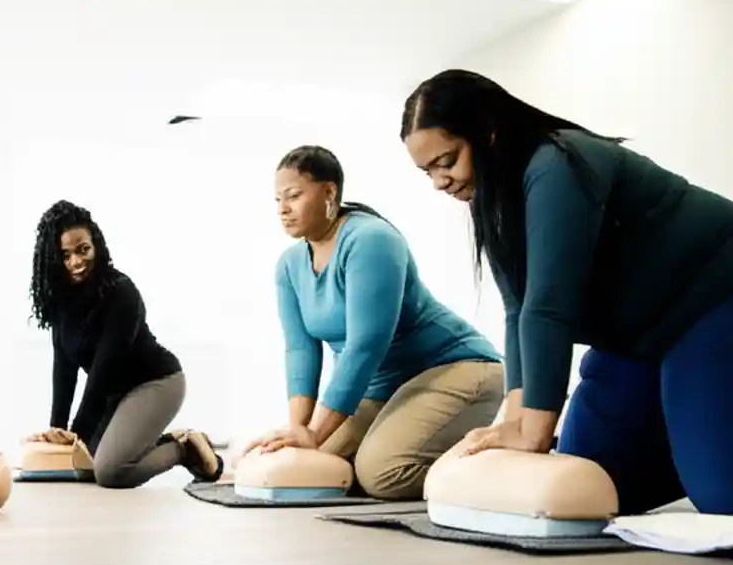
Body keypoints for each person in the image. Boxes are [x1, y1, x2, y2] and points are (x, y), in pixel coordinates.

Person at [400, 69, 733, 515]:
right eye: (428, 172)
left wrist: (535, 430)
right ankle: (694, 442)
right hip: (638, 341)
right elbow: (518, 310)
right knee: (584, 487)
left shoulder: (560, 163)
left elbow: (548, 305)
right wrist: (514, 420)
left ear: (489, 132)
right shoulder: (494, 202)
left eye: (447, 160)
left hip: (711, 303)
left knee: (720, 497)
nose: (441, 181)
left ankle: (704, 453)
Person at [245, 146, 504, 500]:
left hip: (456, 370)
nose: (283, 209)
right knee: (314, 468)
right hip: (383, 385)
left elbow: (366, 345)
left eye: (293, 196)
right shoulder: (290, 265)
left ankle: (501, 466)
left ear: (329, 192)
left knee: (382, 475)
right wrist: (300, 432)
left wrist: (317, 431)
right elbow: (300, 349)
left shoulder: (370, 240)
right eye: (277, 200)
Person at [27, 200, 223, 488]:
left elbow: (104, 369)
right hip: (115, 393)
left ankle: (186, 449)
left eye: (83, 249)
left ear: (96, 244)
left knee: (110, 472)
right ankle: (162, 441)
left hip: (156, 383)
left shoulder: (121, 292)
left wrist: (77, 434)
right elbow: (64, 368)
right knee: (83, 467)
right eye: (65, 255)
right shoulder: (61, 300)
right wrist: (57, 430)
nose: (76, 262)